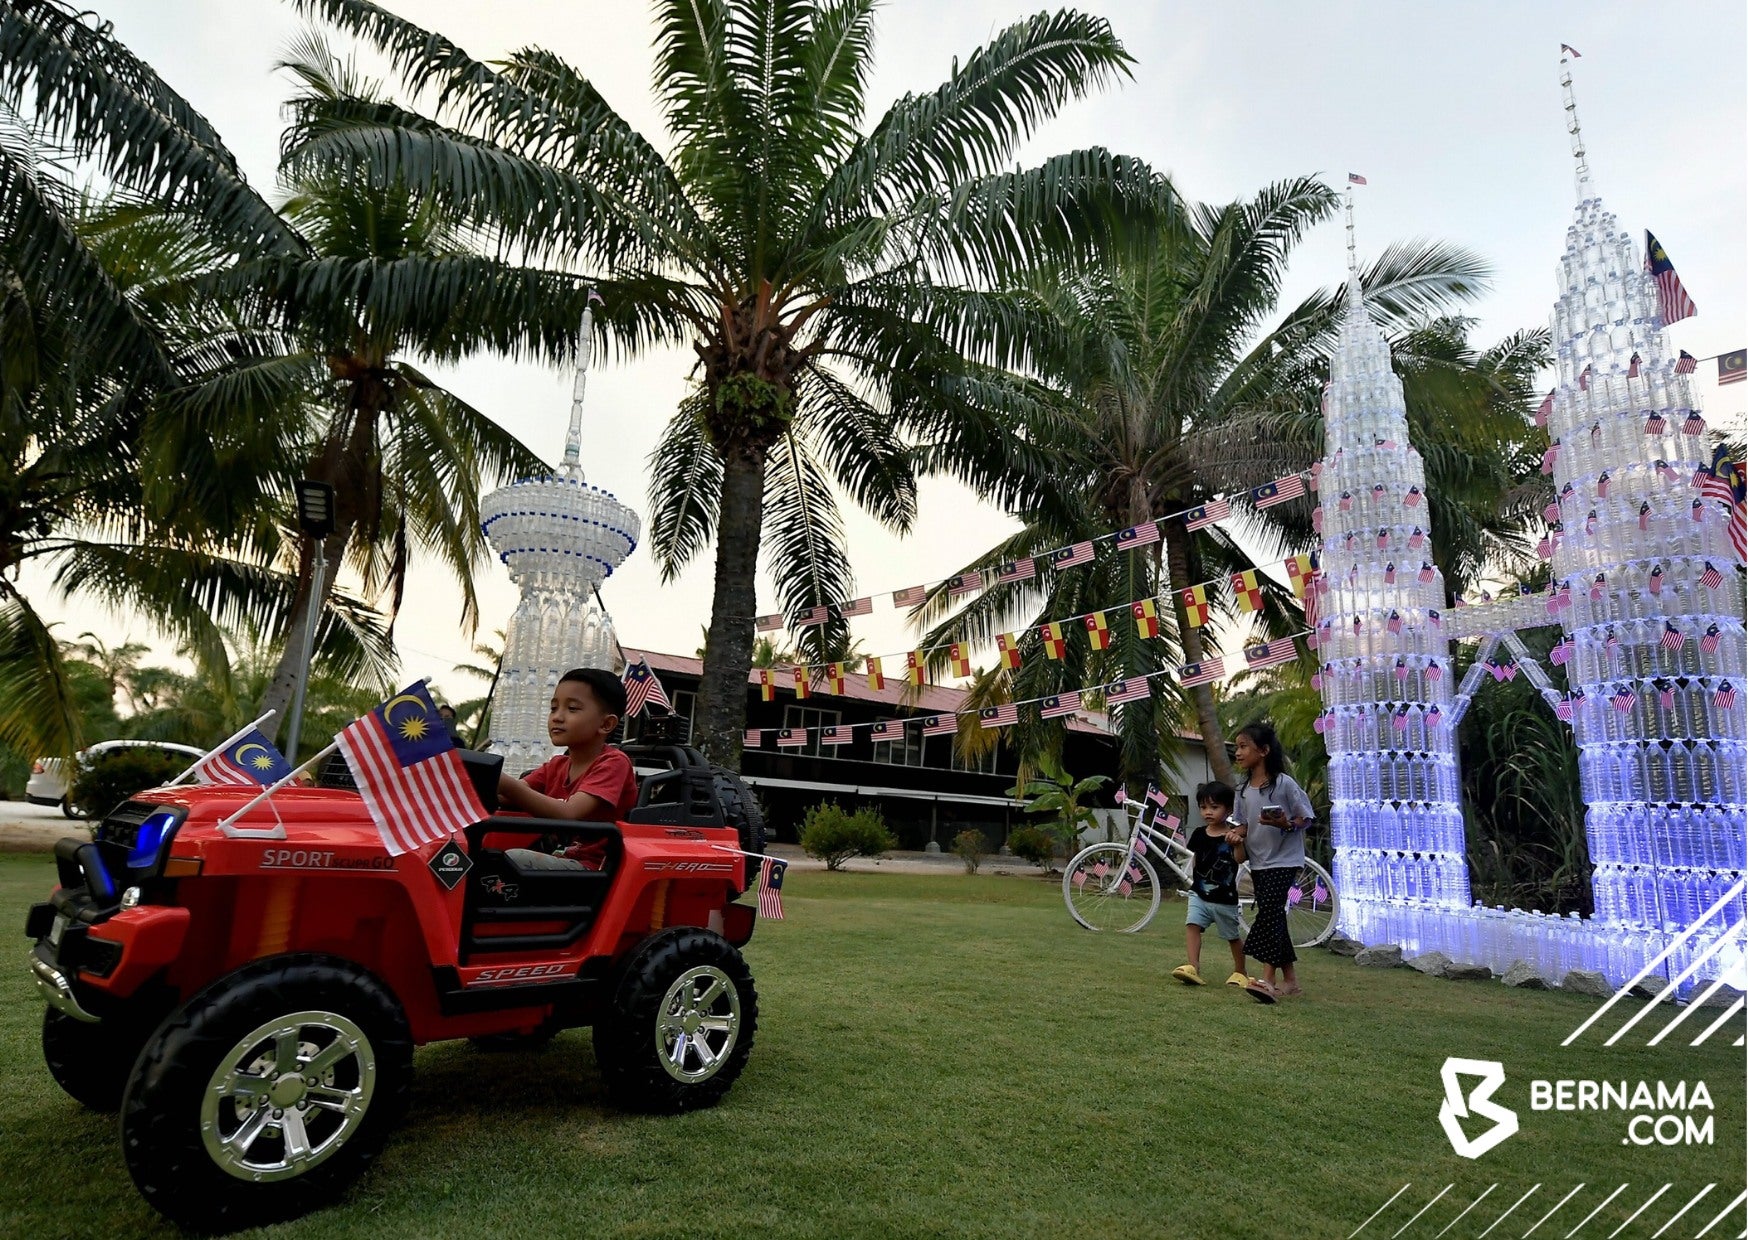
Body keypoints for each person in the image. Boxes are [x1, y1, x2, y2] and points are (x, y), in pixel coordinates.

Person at [497, 668, 639, 870]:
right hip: (558, 857)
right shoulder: (556, 765)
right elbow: (508, 796)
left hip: (592, 867)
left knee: (512, 861)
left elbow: (569, 813)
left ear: (606, 724)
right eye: (553, 708)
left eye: (572, 709)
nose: (557, 717)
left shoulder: (613, 763)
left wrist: (505, 784)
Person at [1229, 721, 1316, 1003]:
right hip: (1258, 862)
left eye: (1244, 747)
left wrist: (1286, 823)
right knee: (1275, 915)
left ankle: (1267, 980)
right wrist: (1234, 834)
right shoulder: (1242, 790)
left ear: (1264, 750)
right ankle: (1290, 981)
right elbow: (1243, 825)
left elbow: (1306, 818)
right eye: (1236, 748)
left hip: (1285, 860)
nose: (1238, 753)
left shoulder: (1284, 784)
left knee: (1269, 913)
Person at [1171, 780, 1249, 988]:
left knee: (1232, 936)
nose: (1208, 812)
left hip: (1225, 899)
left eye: (1215, 807)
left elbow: (1240, 859)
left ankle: (1241, 971)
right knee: (1192, 925)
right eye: (1204, 807)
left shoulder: (1232, 835)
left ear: (1229, 809)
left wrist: (1238, 844)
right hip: (1199, 894)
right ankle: (1193, 966)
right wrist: (1195, 881)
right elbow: (1197, 858)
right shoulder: (1198, 834)